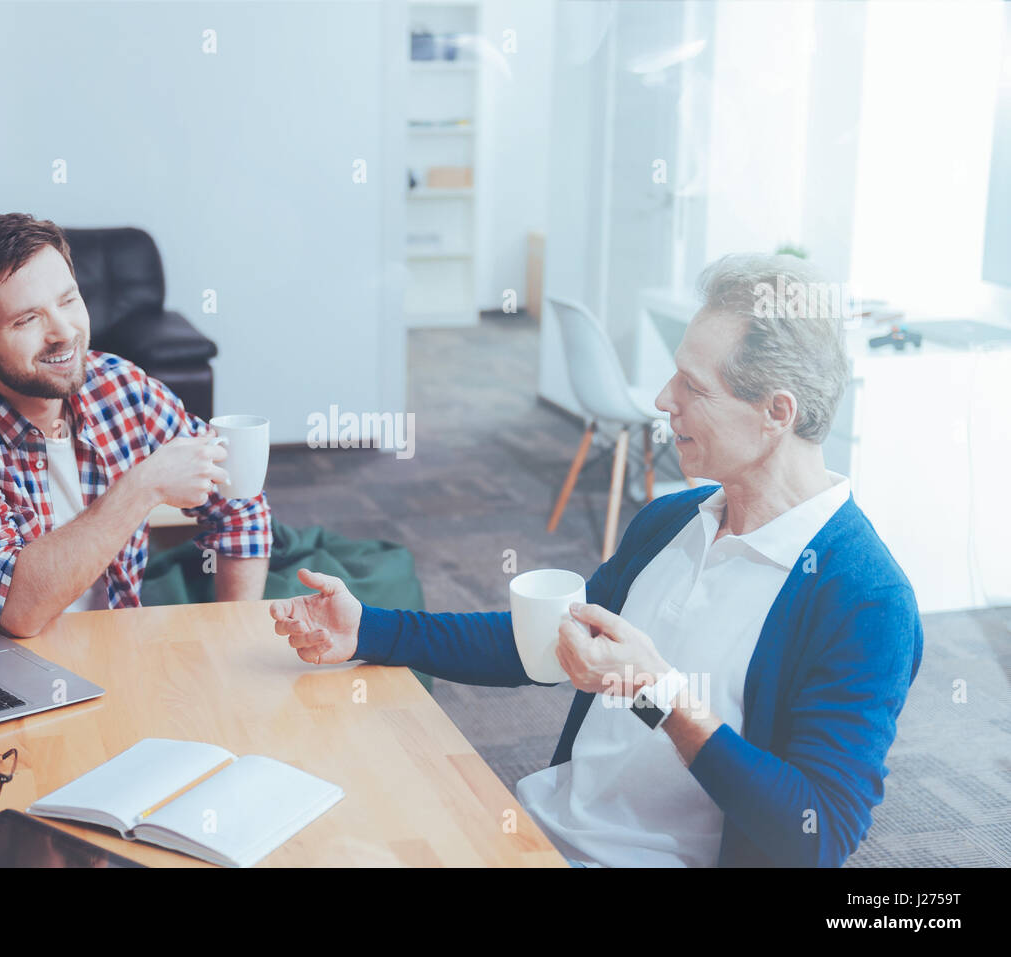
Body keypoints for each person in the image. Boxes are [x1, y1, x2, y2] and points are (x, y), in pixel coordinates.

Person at [269, 253, 923, 867]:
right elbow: (550, 643)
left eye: (693, 386)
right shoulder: (675, 519)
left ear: (776, 412)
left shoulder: (863, 598)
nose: (665, 399)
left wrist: (662, 695)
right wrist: (370, 630)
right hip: (539, 833)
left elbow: (818, 834)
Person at [0, 213, 270, 635]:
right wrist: (145, 486)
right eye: (27, 319)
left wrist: (235, 633)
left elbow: (240, 503)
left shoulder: (124, 388)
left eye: (68, 301)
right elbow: (18, 609)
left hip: (116, 656)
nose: (63, 333)